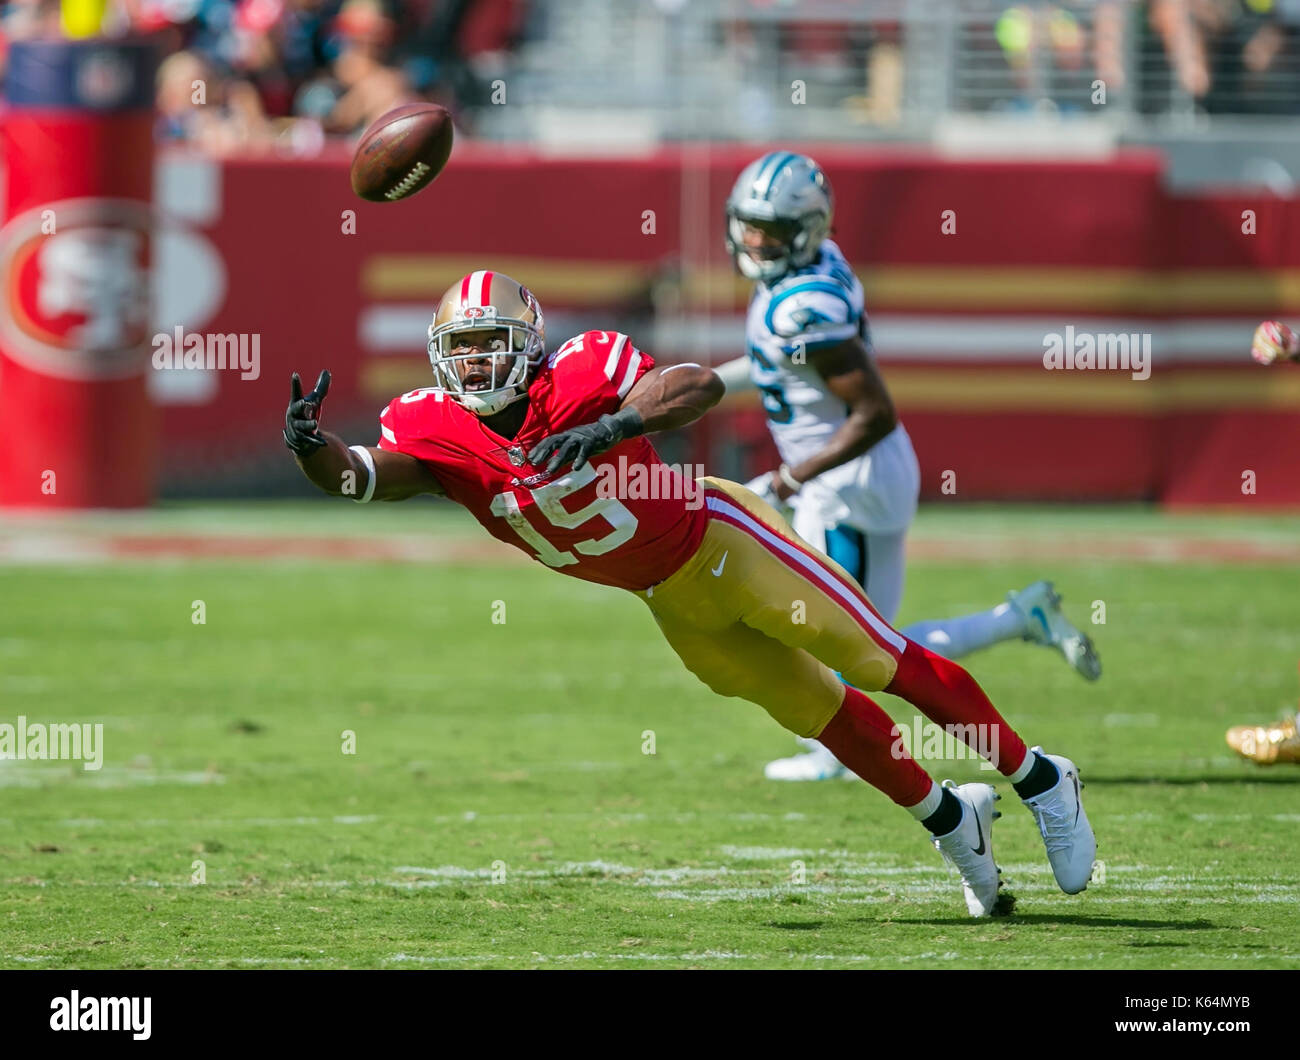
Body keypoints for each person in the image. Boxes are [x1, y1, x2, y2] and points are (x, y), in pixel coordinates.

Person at [283, 269, 1097, 917]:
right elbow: (359, 478)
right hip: (668, 599)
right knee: (817, 714)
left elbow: (696, 385)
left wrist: (609, 428)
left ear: (528, 345)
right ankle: (954, 821)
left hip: (723, 539)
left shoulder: (583, 368)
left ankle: (1041, 781)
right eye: (458, 351)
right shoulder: (437, 428)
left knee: (875, 658)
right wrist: (313, 451)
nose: (473, 366)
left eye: (489, 346)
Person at [712, 151, 1102, 782]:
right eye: (747, 226)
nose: (754, 241)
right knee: (871, 641)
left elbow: (873, 413)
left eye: (770, 230)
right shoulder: (806, 277)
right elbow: (773, 366)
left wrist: (788, 479)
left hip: (846, 480)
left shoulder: (802, 304)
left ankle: (834, 751)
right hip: (864, 473)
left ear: (806, 230)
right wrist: (699, 384)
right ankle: (1017, 618)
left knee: (836, 635)